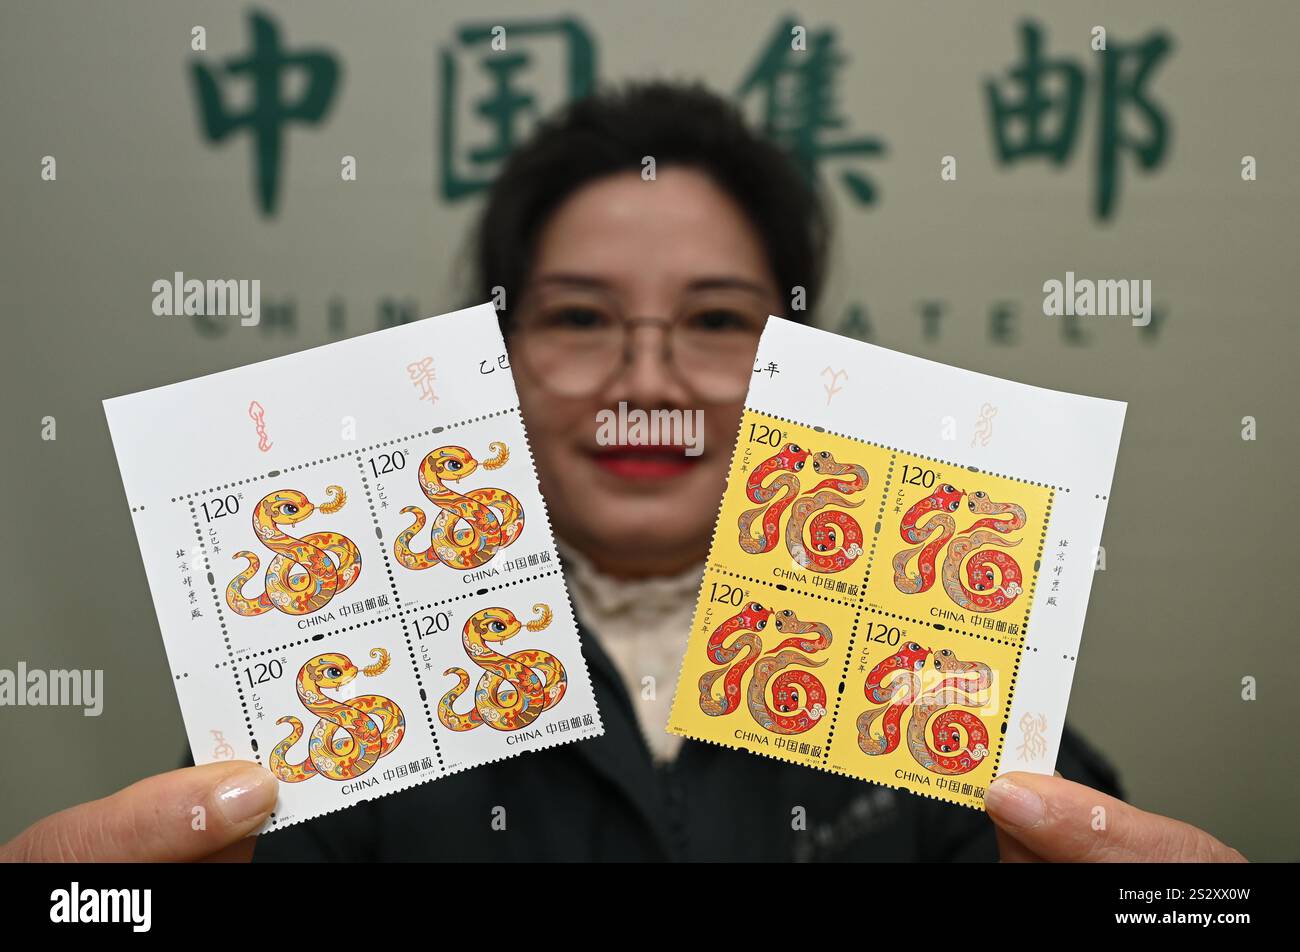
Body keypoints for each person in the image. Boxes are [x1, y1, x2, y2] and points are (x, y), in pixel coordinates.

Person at [0, 82, 1244, 863]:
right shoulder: (332, 673)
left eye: (715, 321)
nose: (646, 383)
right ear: (492, 360)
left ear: (802, 369)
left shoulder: (941, 655)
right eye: (580, 318)